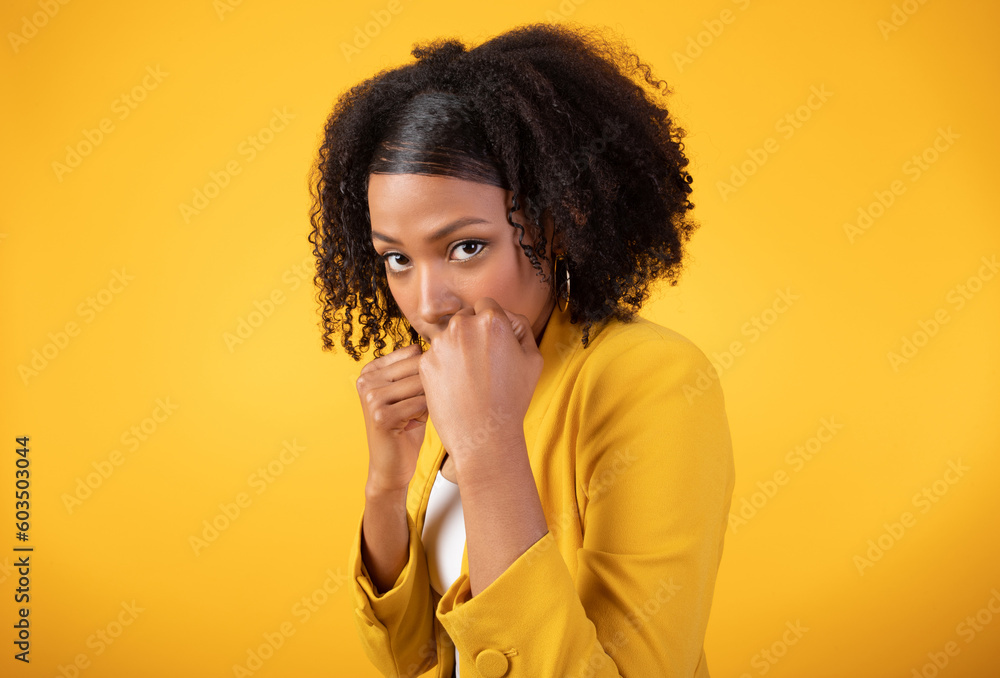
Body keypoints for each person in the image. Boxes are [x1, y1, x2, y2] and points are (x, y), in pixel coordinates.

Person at [308, 21, 736, 678]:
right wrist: (386, 487)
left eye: (466, 247)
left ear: (558, 224)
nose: (428, 303)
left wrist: (488, 451)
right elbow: (414, 658)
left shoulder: (654, 380)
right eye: (396, 259)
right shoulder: (468, 370)